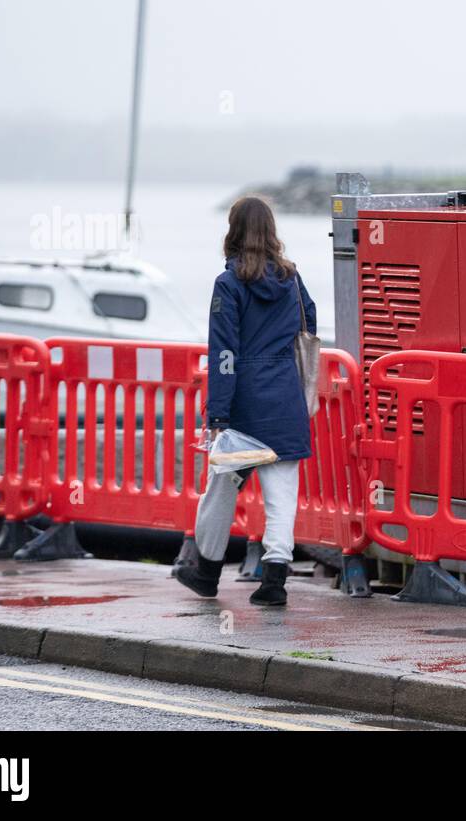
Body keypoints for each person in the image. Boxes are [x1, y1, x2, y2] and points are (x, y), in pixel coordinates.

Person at [174, 196, 315, 607]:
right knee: (282, 495)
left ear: (233, 231)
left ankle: (206, 571)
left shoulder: (229, 284)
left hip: (245, 411)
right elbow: (310, 320)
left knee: (221, 489)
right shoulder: (291, 277)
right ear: (271, 231)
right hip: (286, 401)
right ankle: (274, 581)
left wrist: (218, 412)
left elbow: (223, 354)